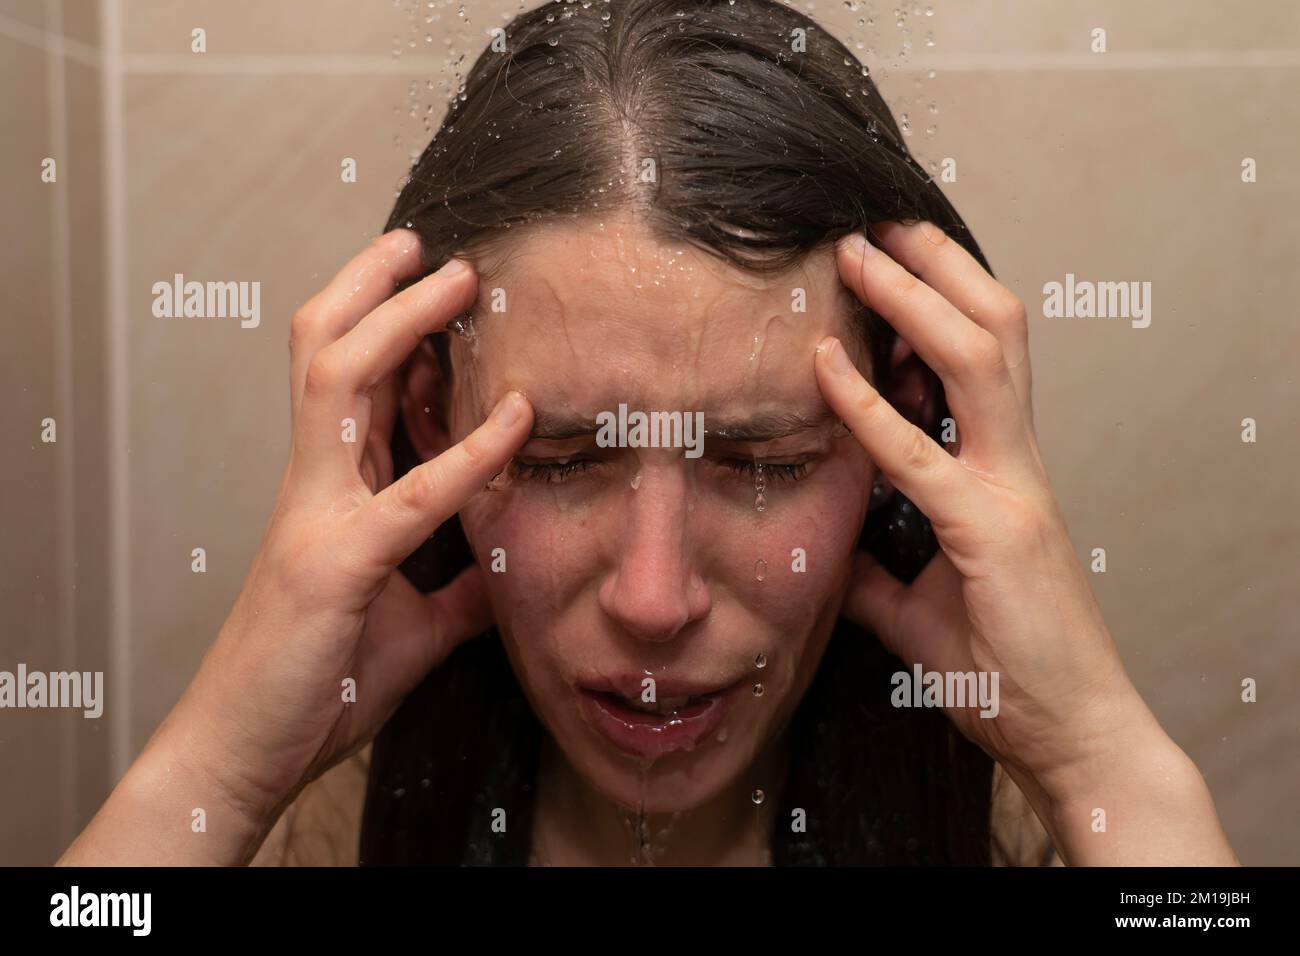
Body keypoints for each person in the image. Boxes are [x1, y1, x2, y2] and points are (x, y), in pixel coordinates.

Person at [59, 0, 1236, 866]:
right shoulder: (323, 829)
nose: (655, 598)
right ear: (427, 414)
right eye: (560, 461)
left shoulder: (1049, 834)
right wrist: (219, 769)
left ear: (902, 433)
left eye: (765, 462)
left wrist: (1100, 759)